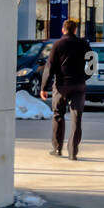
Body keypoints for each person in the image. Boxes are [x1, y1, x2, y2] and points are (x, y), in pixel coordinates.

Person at [40, 19, 93, 160]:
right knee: (77, 117)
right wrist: (85, 77)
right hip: (78, 85)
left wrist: (44, 87)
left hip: (61, 86)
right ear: (75, 30)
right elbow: (93, 62)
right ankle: (73, 152)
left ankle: (57, 148)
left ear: (63, 30)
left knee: (58, 115)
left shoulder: (57, 45)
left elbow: (49, 67)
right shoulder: (84, 44)